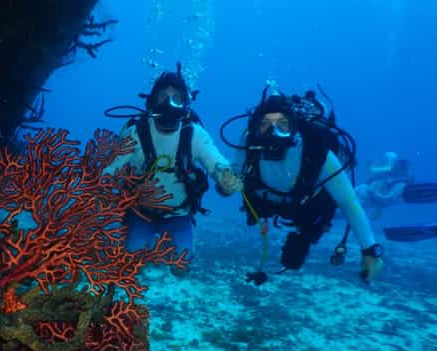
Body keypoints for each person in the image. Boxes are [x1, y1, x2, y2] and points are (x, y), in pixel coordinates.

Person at [225, 85, 383, 284]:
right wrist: (225, 185)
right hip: (268, 199)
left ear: (294, 128)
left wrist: (370, 250)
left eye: (283, 125)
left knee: (297, 253)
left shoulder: (315, 151)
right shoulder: (248, 140)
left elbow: (348, 202)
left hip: (306, 203)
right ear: (255, 127)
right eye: (265, 124)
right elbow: (233, 176)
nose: (273, 133)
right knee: (254, 204)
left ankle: (307, 233)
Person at [105, 64, 243, 276]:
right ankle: (145, 247)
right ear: (151, 102)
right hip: (141, 212)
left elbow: (215, 159)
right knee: (130, 266)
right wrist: (100, 190)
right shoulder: (136, 133)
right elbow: (111, 169)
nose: (169, 104)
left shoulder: (194, 134)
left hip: (180, 214)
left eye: (176, 98)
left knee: (181, 268)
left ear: (185, 104)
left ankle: (169, 248)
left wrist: (225, 176)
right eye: (163, 97)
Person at [354, 152, 410, 218]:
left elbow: (389, 199)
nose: (393, 167)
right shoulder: (390, 177)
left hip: (363, 199)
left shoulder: (400, 184)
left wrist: (373, 193)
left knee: (343, 208)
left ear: (401, 169)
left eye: (395, 165)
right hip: (361, 195)